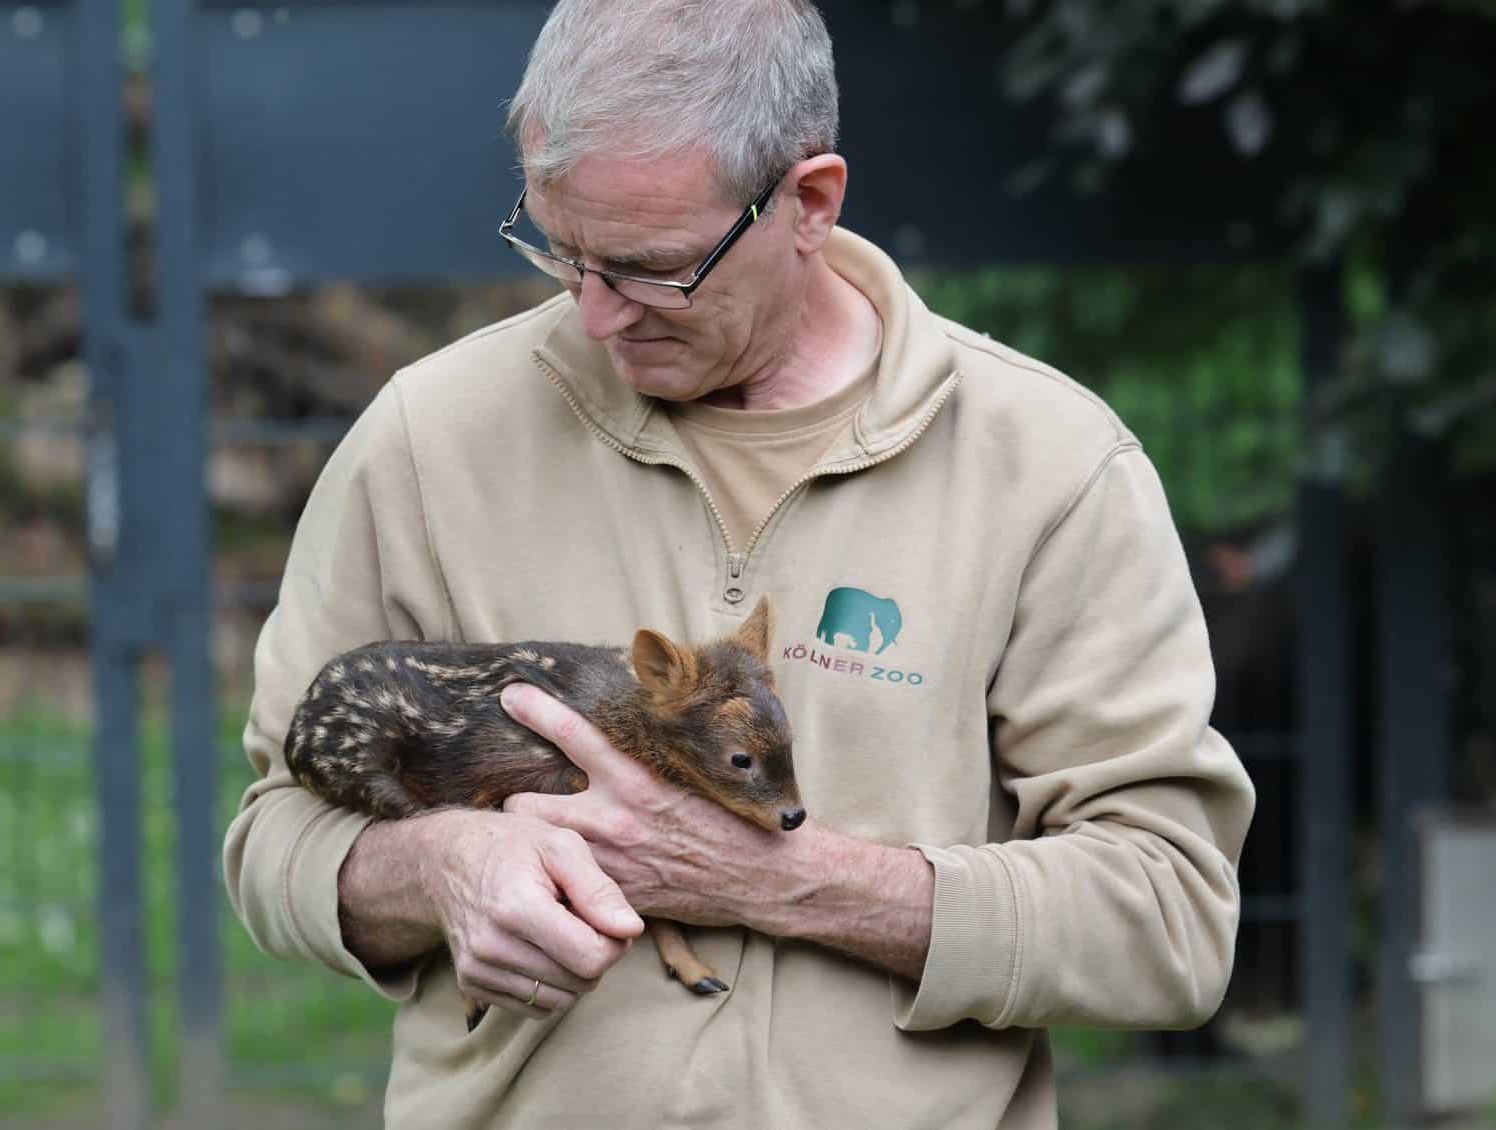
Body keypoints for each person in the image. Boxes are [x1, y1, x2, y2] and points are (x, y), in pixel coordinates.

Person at [222, 0, 1256, 1126]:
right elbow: (276, 835)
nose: (599, 315)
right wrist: (440, 866)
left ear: (809, 203)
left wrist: (783, 882)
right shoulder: (429, 436)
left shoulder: (1050, 465)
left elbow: (1170, 921)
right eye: (561, 252)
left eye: (655, 269)